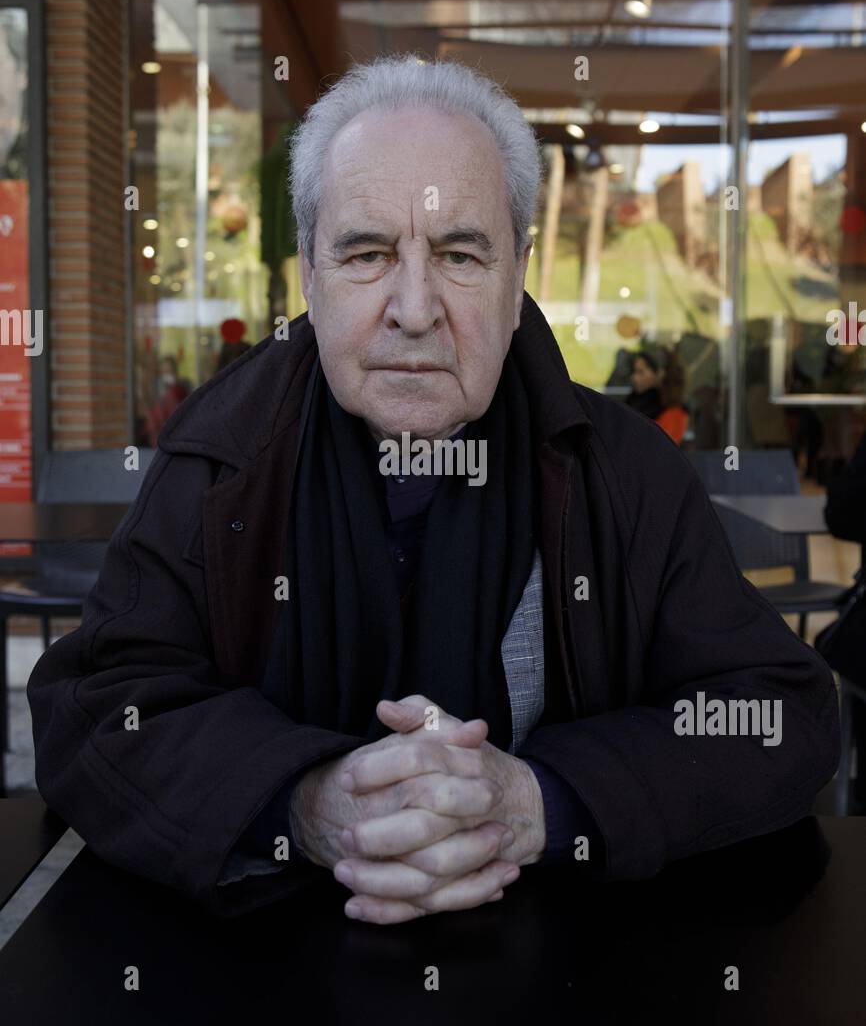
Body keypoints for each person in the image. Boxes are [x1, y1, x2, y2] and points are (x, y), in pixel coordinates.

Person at [28, 55, 839, 924]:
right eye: (368, 253)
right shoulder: (219, 459)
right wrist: (303, 802)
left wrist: (537, 804)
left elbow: (775, 714)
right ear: (309, 271)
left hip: (583, 990)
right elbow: (96, 712)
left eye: (458, 254)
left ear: (518, 272)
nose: (413, 309)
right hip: (258, 990)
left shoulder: (625, 471)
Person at [626, 348, 689, 445]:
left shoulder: (673, 411)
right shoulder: (634, 399)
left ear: (659, 374)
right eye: (633, 372)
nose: (634, 377)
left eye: (640, 372)